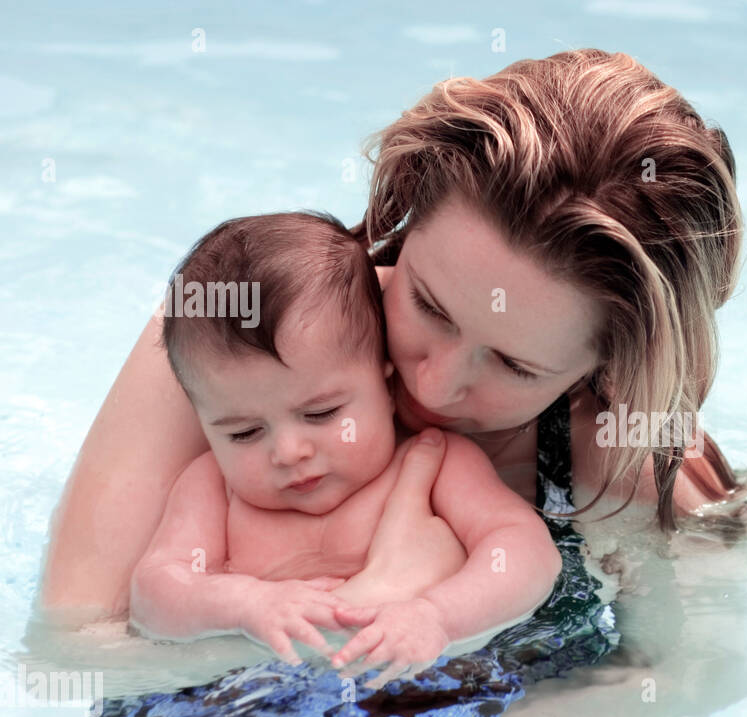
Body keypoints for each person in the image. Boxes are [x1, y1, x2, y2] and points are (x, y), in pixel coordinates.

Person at [53, 49, 747, 717]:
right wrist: (354, 614)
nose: (436, 379)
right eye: (427, 302)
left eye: (515, 365)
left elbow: (683, 687)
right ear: (401, 211)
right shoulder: (238, 341)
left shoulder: (629, 455)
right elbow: (78, 647)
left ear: (603, 369)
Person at [132, 210, 559, 682]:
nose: (289, 451)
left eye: (321, 414)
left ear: (385, 380)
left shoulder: (437, 462)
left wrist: (437, 615)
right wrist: (244, 604)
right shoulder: (213, 486)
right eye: (244, 433)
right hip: (249, 698)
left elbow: (526, 553)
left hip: (407, 689)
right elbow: (154, 594)